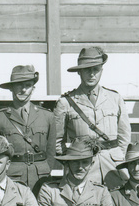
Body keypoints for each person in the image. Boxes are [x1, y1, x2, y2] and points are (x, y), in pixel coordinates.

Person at [54, 45, 130, 190]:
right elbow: (58, 141)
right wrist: (73, 162)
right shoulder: (66, 102)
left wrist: (118, 157)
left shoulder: (115, 98)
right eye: (87, 70)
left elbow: (124, 136)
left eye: (96, 69)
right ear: (79, 72)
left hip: (113, 165)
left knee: (117, 203)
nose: (91, 74)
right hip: (82, 166)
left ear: (101, 71)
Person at [0, 64, 56, 190]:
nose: (23, 89)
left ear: (33, 88)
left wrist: (45, 170)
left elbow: (51, 151)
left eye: (27, 85)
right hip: (12, 177)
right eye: (19, 85)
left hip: (40, 177)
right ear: (11, 88)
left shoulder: (47, 116)